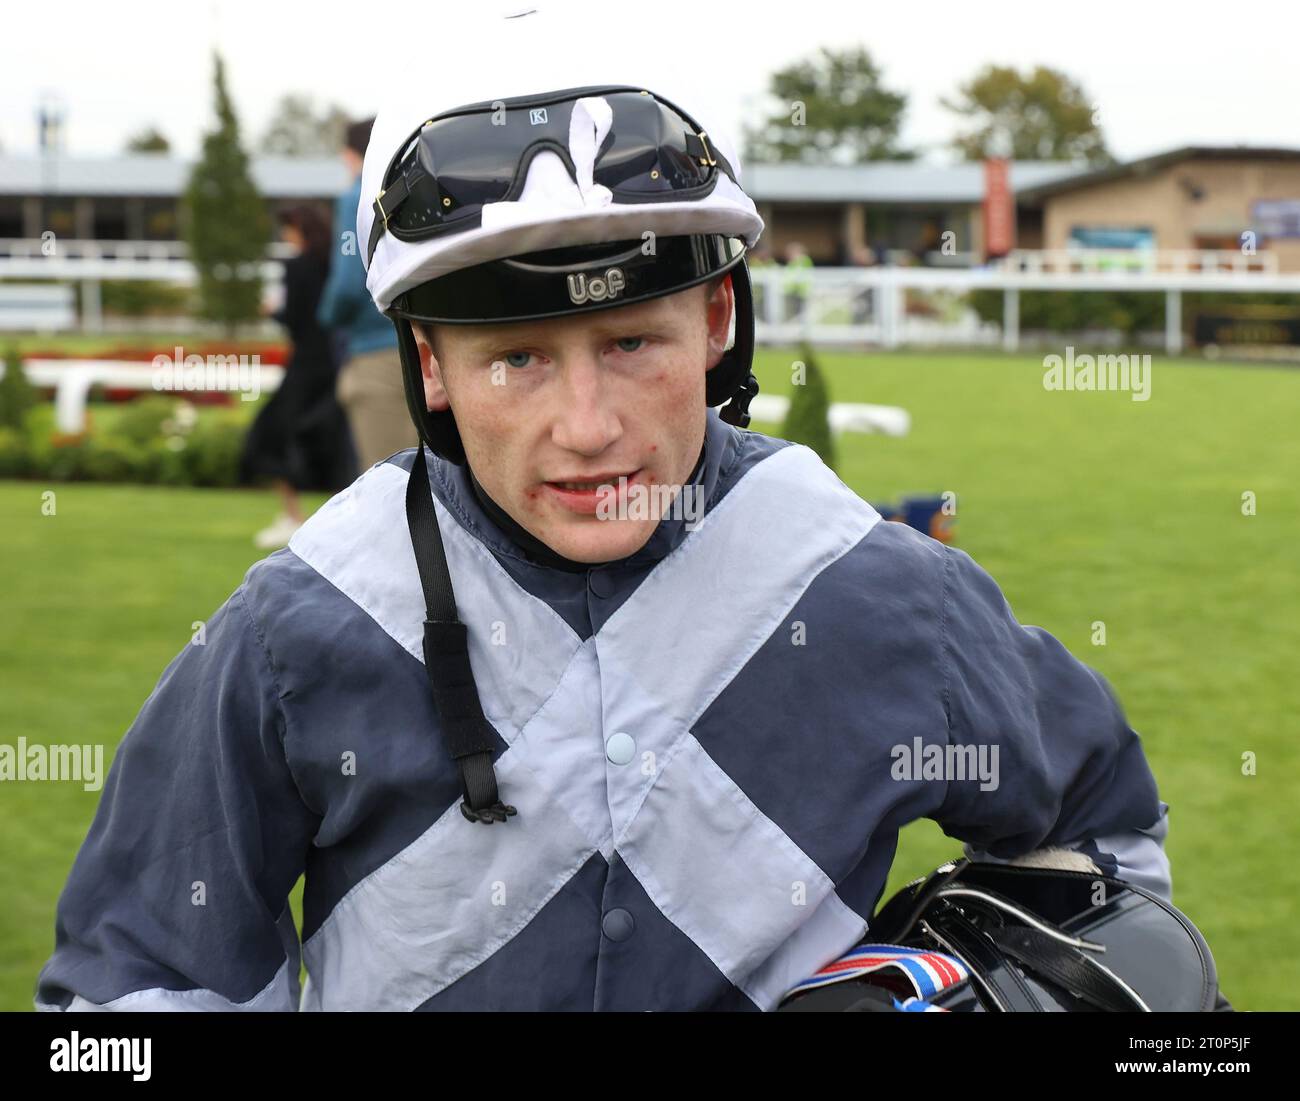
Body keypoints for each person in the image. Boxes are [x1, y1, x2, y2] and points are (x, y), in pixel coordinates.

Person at [34, 9, 1171, 1012]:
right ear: (427, 365)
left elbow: (1103, 841)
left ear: (719, 316)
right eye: (515, 358)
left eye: (632, 342)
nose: (586, 426)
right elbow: (137, 974)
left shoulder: (879, 590)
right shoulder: (298, 624)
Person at [240, 205, 356, 548]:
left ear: (297, 229)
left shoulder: (296, 266)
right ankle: (338, 521)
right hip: (336, 363)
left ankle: (292, 516)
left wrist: (273, 312)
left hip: (305, 365)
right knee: (334, 442)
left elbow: (296, 320)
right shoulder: (333, 265)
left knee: (271, 436)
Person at [318, 116, 418, 469]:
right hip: (426, 351)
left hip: (375, 354)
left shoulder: (356, 195)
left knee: (390, 487)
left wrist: (327, 318)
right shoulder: (414, 186)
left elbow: (347, 283)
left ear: (350, 154)